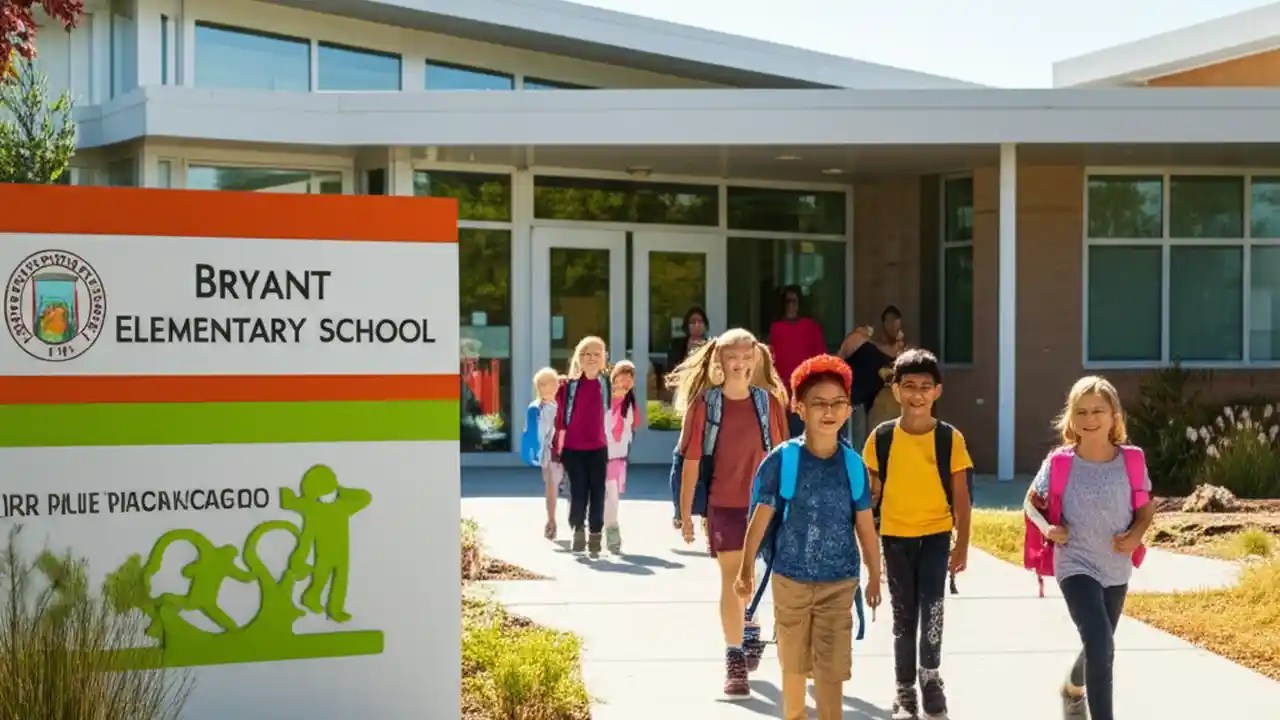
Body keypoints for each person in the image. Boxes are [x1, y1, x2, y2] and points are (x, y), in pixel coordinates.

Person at [735, 355, 882, 720]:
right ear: (799, 407)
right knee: (794, 662)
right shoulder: (783, 460)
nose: (828, 411)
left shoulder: (853, 466)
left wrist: (875, 573)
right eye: (818, 403)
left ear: (848, 410)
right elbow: (762, 514)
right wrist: (745, 570)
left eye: (838, 403)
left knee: (832, 668)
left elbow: (865, 524)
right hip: (791, 579)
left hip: (839, 581)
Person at [1024, 376, 1154, 720]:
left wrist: (1137, 533)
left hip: (1116, 566)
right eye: (1080, 411)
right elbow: (1030, 503)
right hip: (1075, 564)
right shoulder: (1060, 462)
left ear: (1114, 416)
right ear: (1071, 418)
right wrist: (1048, 529)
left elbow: (1145, 509)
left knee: (1100, 644)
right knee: (1100, 643)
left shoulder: (1132, 460)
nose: (1089, 418)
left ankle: (1072, 688)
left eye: (1098, 410)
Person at [668, 327, 788, 700]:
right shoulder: (706, 404)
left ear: (755, 359)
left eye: (745, 357)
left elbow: (786, 453)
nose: (739, 364)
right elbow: (690, 460)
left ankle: (751, 624)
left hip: (767, 505)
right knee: (733, 578)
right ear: (719, 361)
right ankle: (735, 657)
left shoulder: (769, 403)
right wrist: (686, 512)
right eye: (731, 357)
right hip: (725, 503)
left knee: (779, 579)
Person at [862, 349, 972, 720]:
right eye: (909, 386)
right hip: (895, 537)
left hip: (936, 537)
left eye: (926, 387)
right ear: (896, 390)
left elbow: (962, 498)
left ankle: (930, 678)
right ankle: (905, 689)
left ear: (937, 392)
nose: (917, 394)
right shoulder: (881, 438)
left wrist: (963, 546)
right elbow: (868, 496)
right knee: (903, 615)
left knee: (934, 609)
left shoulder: (949, 439)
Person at [554, 336, 611, 558]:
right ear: (579, 357)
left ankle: (595, 534)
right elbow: (554, 406)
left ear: (603, 359)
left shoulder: (605, 383)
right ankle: (577, 529)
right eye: (586, 354)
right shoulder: (568, 386)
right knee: (578, 492)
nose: (591, 358)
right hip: (573, 448)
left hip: (599, 447)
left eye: (596, 354)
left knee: (598, 492)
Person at [838, 306, 906, 448]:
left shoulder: (896, 354)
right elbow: (839, 360)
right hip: (851, 402)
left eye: (897, 326)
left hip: (870, 406)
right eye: (892, 324)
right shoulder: (858, 341)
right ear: (884, 324)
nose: (895, 330)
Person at [768, 285, 828, 438]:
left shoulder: (811, 327)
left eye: (794, 302)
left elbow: (820, 359)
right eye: (787, 302)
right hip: (781, 393)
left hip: (805, 390)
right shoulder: (775, 328)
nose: (791, 306)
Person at [605, 360, 641, 554]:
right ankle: (595, 527)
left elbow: (634, 424)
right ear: (613, 379)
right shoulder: (604, 400)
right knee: (598, 495)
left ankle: (611, 530)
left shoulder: (630, 403)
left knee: (612, 495)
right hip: (599, 453)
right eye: (622, 376)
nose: (625, 381)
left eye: (630, 377)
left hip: (617, 456)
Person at [528, 367, 565, 540]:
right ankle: (551, 520)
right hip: (548, 454)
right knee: (550, 485)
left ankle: (575, 521)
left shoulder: (563, 405)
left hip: (564, 451)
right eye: (541, 384)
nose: (545, 388)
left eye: (549, 383)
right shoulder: (536, 408)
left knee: (555, 484)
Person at [665, 306, 711, 374]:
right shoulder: (677, 344)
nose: (697, 325)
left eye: (700, 321)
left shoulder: (711, 347)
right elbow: (671, 368)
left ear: (705, 326)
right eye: (693, 322)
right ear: (687, 325)